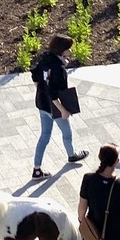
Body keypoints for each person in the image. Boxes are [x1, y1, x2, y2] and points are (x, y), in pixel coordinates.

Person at [31, 35, 88, 179]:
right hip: (53, 107)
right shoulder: (59, 69)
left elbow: (35, 77)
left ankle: (36, 169)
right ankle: (72, 155)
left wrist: (41, 90)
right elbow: (54, 94)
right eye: (68, 49)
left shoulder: (44, 59)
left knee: (44, 135)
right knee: (67, 133)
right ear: (62, 50)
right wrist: (63, 110)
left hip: (41, 104)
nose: (70, 51)